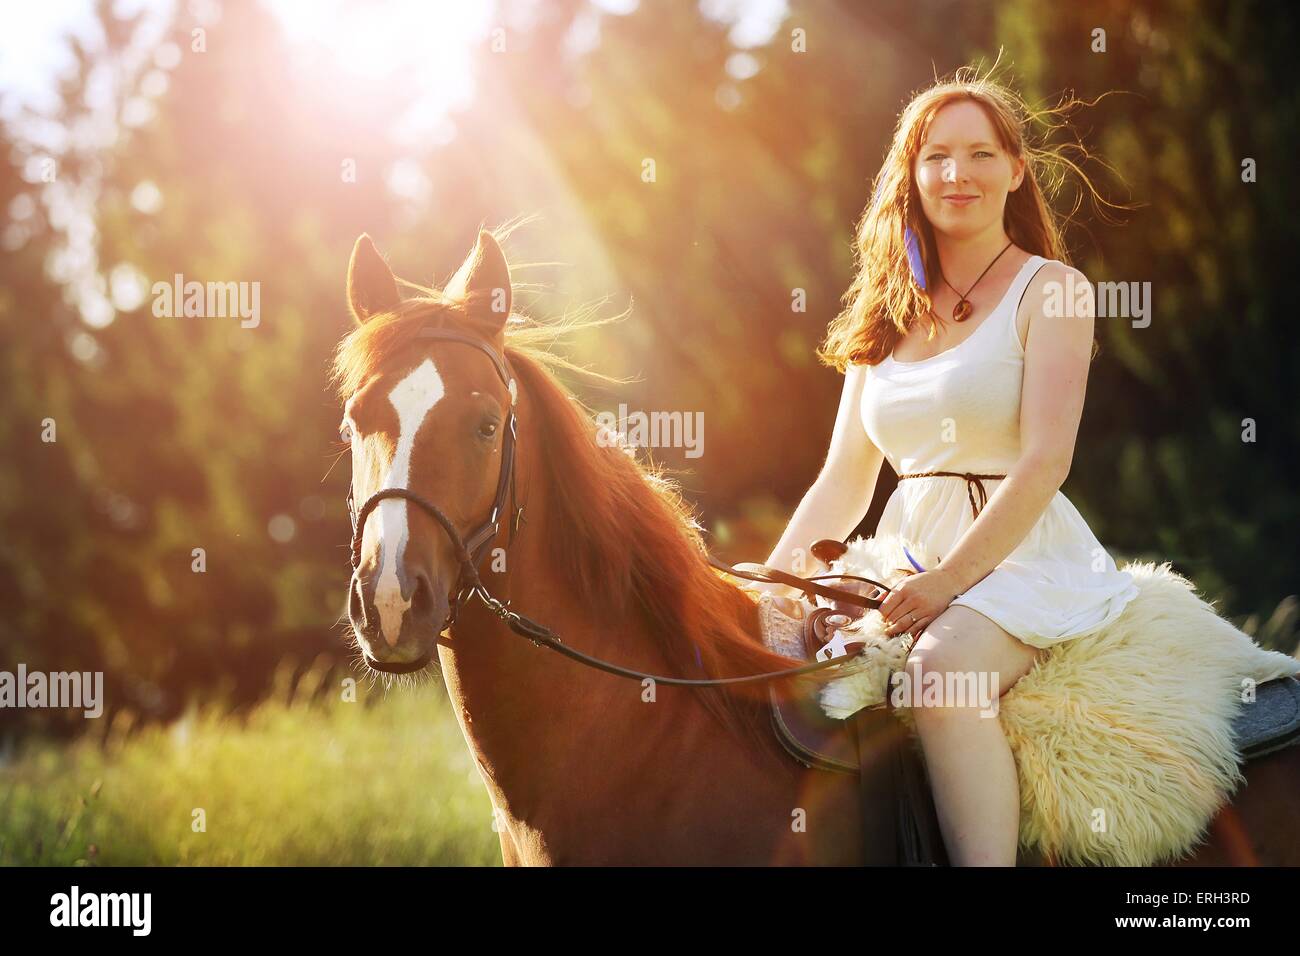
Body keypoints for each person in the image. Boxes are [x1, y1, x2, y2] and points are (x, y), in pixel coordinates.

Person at [760, 66, 1137, 865]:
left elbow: (1046, 461)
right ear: (911, 173)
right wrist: (767, 582)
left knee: (940, 678)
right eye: (935, 156)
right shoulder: (884, 312)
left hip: (1021, 556)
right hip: (900, 555)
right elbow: (843, 480)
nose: (955, 174)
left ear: (1015, 170)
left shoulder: (1054, 291)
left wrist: (946, 583)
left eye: (978, 154)